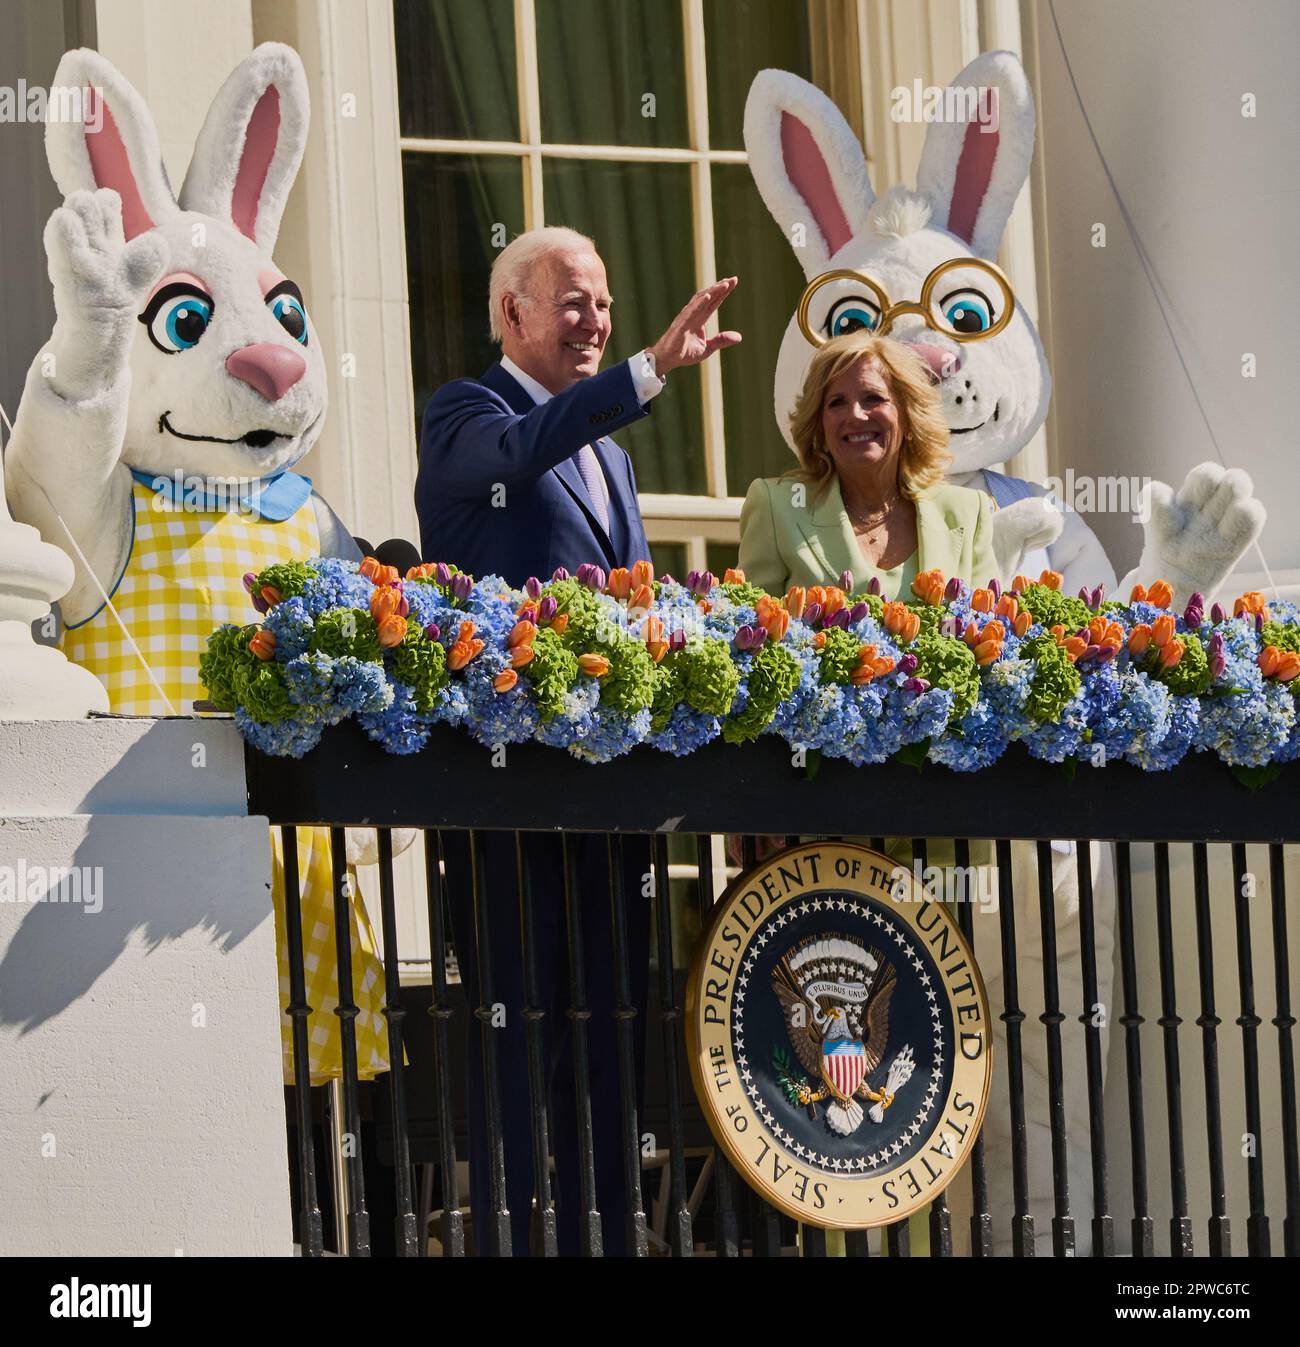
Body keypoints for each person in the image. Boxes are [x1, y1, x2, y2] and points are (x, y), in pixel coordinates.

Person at [416, 226, 739, 1255]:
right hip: (505, 793)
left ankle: (609, 1232)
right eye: (572, 301)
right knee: (521, 1025)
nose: (595, 320)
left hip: (609, 797)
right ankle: (517, 1237)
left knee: (610, 1024)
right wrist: (650, 369)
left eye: (602, 304)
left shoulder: (611, 453)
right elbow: (524, 450)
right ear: (510, 312)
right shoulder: (468, 414)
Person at [738, 329, 997, 597]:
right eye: (837, 403)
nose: (855, 415)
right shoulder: (776, 508)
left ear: (908, 417)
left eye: (873, 398)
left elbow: (989, 628)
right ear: (820, 427)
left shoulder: (966, 511)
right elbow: (750, 627)